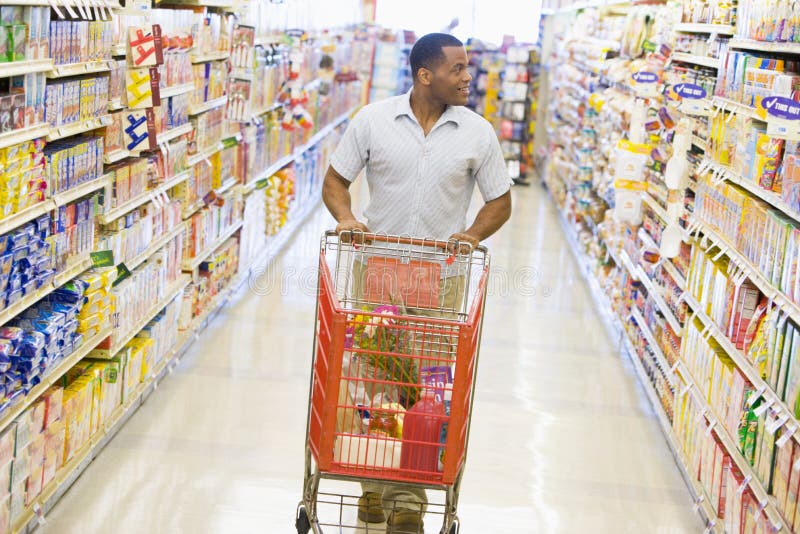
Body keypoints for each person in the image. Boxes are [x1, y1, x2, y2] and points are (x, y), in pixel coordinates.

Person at [322, 32, 512, 534]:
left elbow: (500, 201)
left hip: (439, 279)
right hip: (377, 273)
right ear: (425, 75)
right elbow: (336, 181)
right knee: (371, 381)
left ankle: (408, 498)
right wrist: (345, 218)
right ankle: (371, 486)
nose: (468, 76)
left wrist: (472, 234)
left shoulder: (478, 132)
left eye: (467, 67)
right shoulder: (373, 120)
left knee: (426, 386)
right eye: (457, 68)